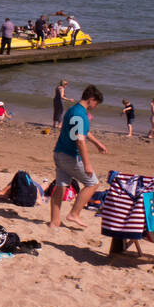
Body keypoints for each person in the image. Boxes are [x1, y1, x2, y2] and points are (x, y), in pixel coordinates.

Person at [49, 84, 107, 229]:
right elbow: (80, 141)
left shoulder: (74, 109)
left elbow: (83, 132)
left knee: (61, 186)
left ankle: (55, 221)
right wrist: (87, 164)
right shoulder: (80, 114)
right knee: (93, 183)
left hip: (59, 152)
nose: (96, 106)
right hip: (70, 156)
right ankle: (74, 213)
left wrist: (97, 143)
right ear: (91, 99)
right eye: (96, 103)